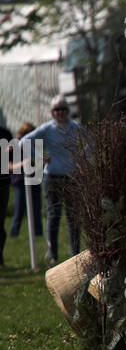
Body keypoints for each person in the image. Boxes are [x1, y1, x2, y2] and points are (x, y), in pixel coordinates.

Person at [20, 97, 81, 266]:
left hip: (72, 176)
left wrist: (84, 160)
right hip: (53, 177)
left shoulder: (75, 127)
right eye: (56, 110)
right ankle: (53, 255)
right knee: (54, 215)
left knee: (73, 217)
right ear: (53, 113)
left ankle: (75, 253)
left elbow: (90, 141)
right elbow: (24, 141)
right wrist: (39, 157)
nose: (59, 112)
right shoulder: (47, 128)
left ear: (67, 110)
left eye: (62, 109)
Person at [9, 122, 43, 242]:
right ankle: (14, 233)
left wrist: (39, 161)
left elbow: (38, 162)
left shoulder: (35, 144)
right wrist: (23, 163)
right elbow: (9, 165)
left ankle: (38, 233)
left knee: (36, 208)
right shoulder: (14, 145)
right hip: (20, 180)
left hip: (34, 179)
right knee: (19, 209)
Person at [0, 125, 11, 266]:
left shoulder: (5, 133)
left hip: (2, 183)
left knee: (0, 222)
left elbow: (12, 159)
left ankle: (0, 256)